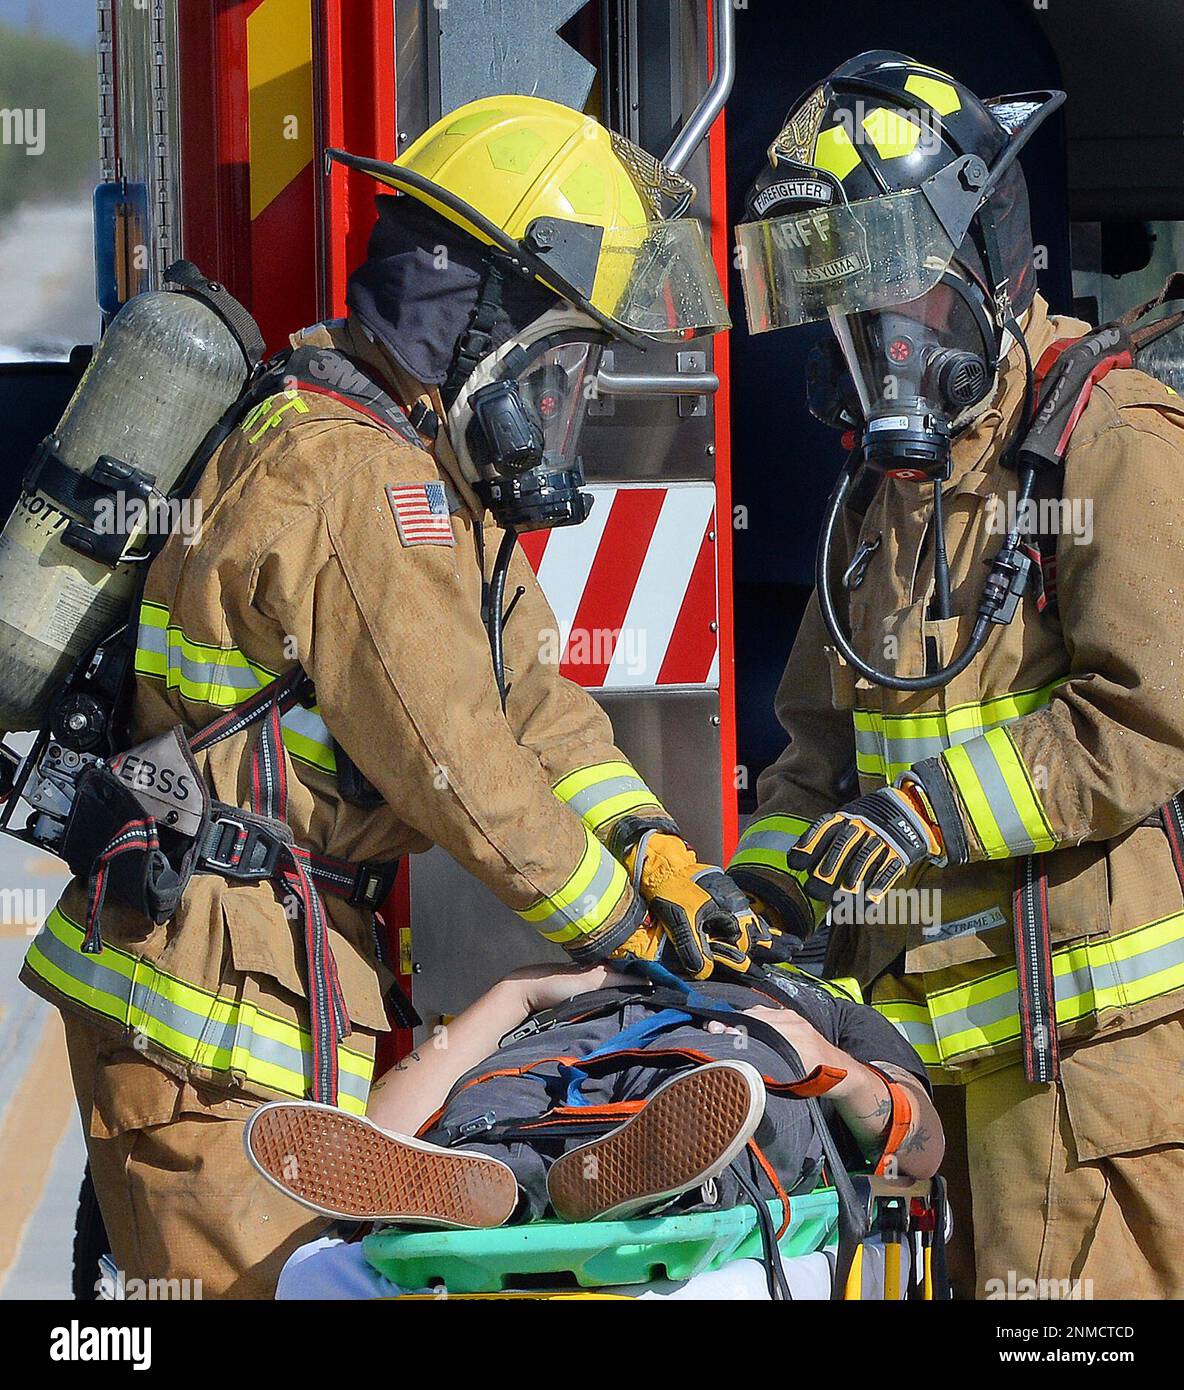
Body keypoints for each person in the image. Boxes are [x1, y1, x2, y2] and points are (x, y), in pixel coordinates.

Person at [19, 95, 749, 1298]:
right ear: (481, 324)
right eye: (557, 364)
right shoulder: (356, 476)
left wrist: (656, 848)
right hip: (207, 1012)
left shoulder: (418, 472)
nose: (563, 405)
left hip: (261, 986)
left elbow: (532, 703)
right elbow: (454, 759)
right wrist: (622, 938)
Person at [726, 51, 1184, 1298]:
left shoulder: (1108, 442)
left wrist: (929, 807)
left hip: (1080, 1078)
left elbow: (1145, 716)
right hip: (916, 1080)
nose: (875, 343)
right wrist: (755, 905)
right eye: (847, 310)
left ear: (984, 271)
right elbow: (821, 751)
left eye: (897, 300)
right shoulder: (883, 492)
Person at [244, 955, 942, 1289]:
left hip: (733, 1053)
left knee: (716, 1101)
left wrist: (832, 1064)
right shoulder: (579, 989)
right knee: (493, 1115)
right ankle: (508, 1186)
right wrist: (516, 991)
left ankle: (615, 1184)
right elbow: (385, 1127)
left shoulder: (820, 1002)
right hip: (563, 1061)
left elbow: (923, 1149)